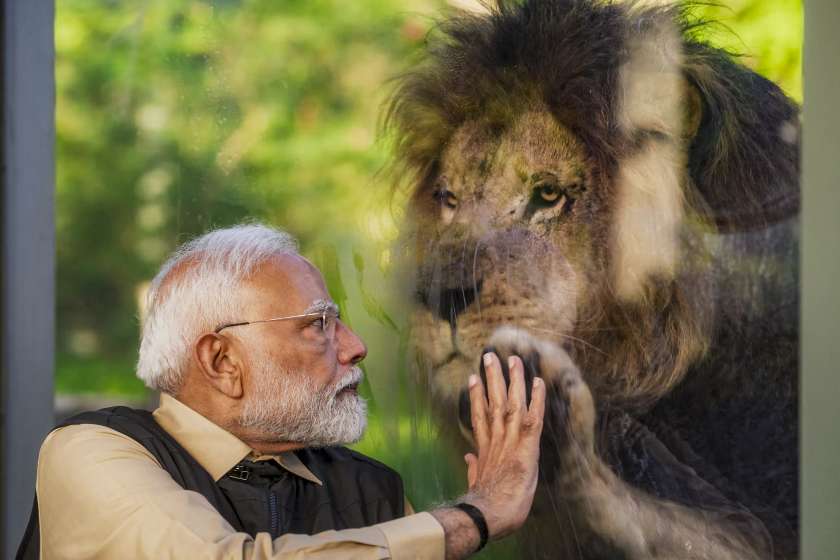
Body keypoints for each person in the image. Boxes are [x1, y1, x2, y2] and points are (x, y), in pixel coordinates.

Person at [20, 223, 546, 559]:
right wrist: (474, 517)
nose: (355, 346)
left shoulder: (369, 489)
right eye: (318, 324)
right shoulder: (90, 450)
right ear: (222, 361)